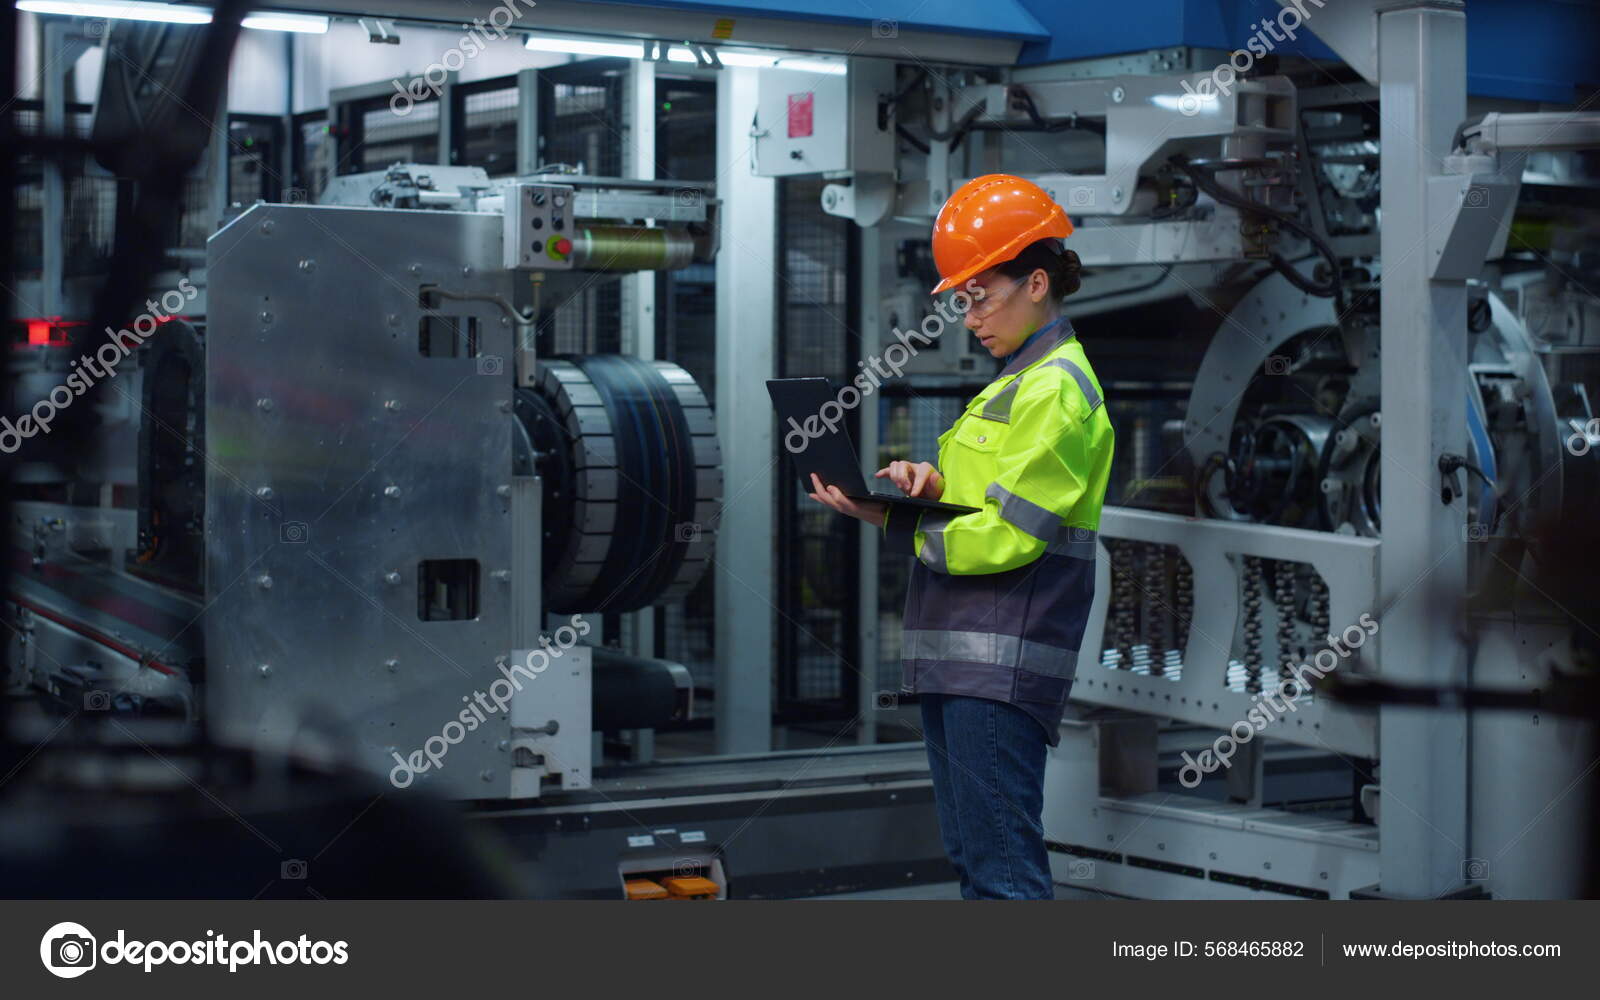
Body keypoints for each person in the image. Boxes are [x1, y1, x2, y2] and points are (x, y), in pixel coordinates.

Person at [808, 174, 1114, 899]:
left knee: (1003, 872)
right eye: (963, 299)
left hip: (999, 667)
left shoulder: (1055, 390)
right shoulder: (1016, 382)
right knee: (978, 861)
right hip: (965, 660)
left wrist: (894, 517)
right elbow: (987, 494)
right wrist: (926, 483)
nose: (970, 315)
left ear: (1036, 281)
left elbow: (1010, 535)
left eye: (981, 295)